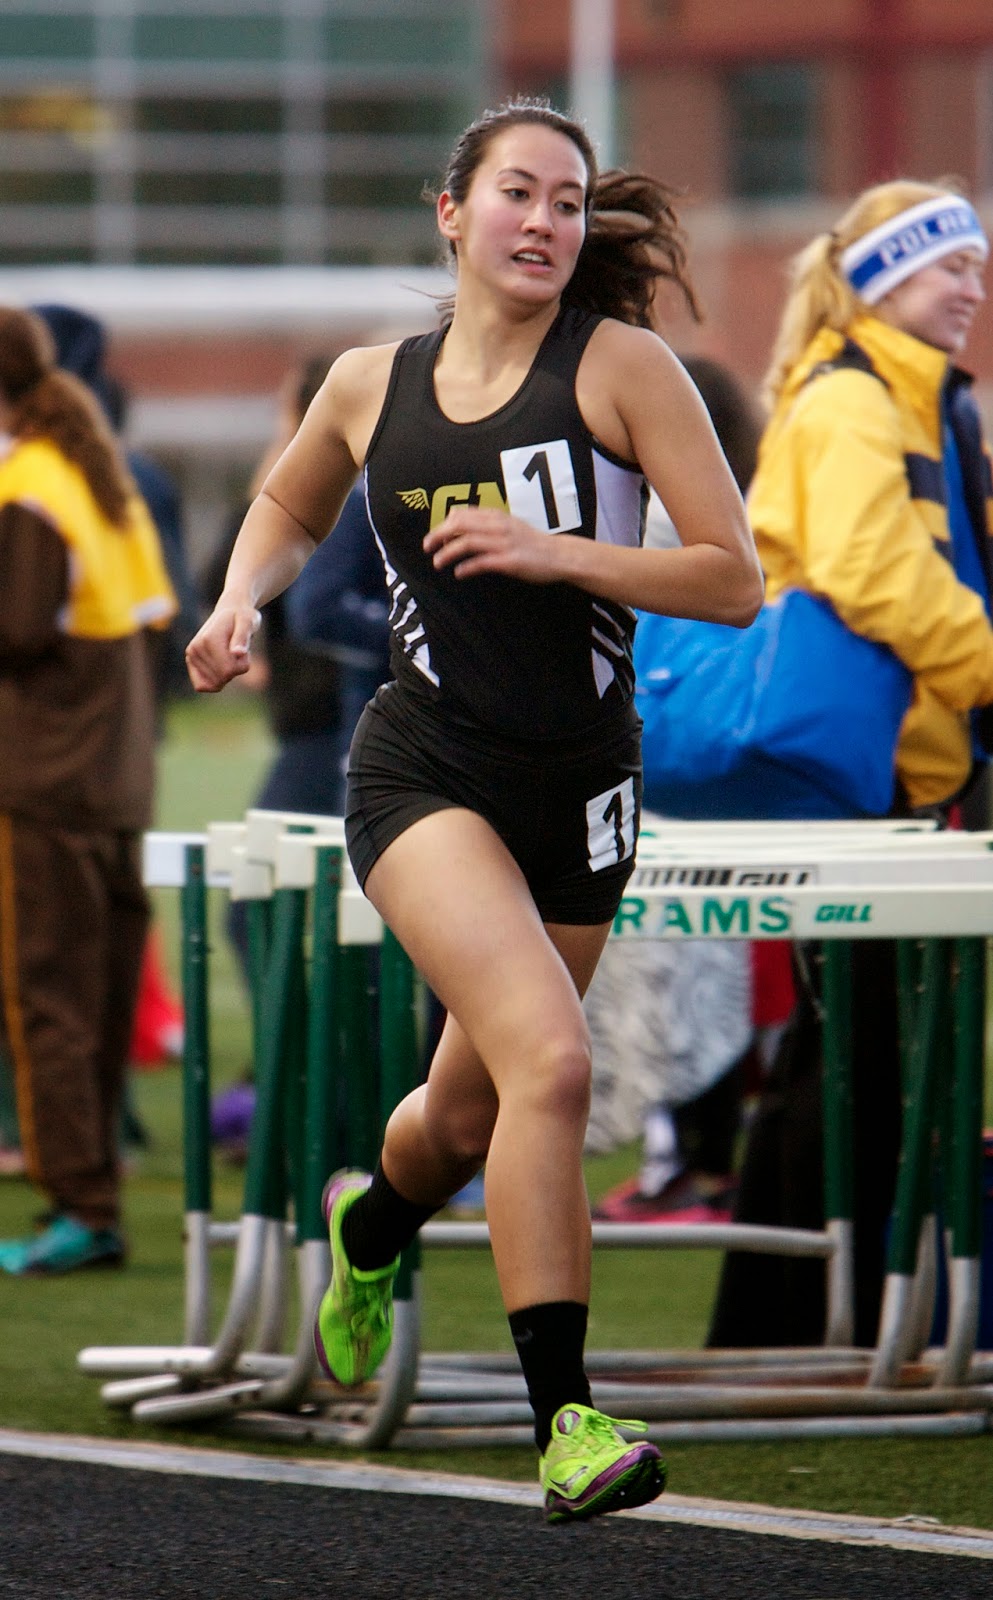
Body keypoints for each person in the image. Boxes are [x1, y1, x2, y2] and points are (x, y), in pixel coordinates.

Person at [186, 97, 762, 1521]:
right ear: (453, 213)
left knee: (469, 1103)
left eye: (569, 203)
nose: (546, 223)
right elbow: (291, 501)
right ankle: (564, 1423)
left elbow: (732, 578)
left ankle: (370, 1225)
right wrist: (237, 600)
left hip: (581, 783)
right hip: (421, 767)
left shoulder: (624, 368)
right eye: (520, 193)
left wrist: (558, 552)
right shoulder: (367, 382)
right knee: (553, 1067)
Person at [708, 181, 993, 1350]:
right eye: (947, 269)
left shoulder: (925, 401)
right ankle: (797, 1329)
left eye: (977, 268)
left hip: (906, 776)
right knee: (858, 1056)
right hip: (864, 784)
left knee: (869, 1051)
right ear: (881, 282)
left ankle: (845, 1319)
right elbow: (880, 578)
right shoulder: (853, 401)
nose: (972, 288)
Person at [0, 306, 176, 1273]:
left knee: (49, 1001)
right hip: (118, 779)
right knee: (98, 1001)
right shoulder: (100, 481)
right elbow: (147, 625)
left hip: (46, 779)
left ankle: (79, 1205)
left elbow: (18, 632)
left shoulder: (28, 485)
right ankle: (94, 1195)